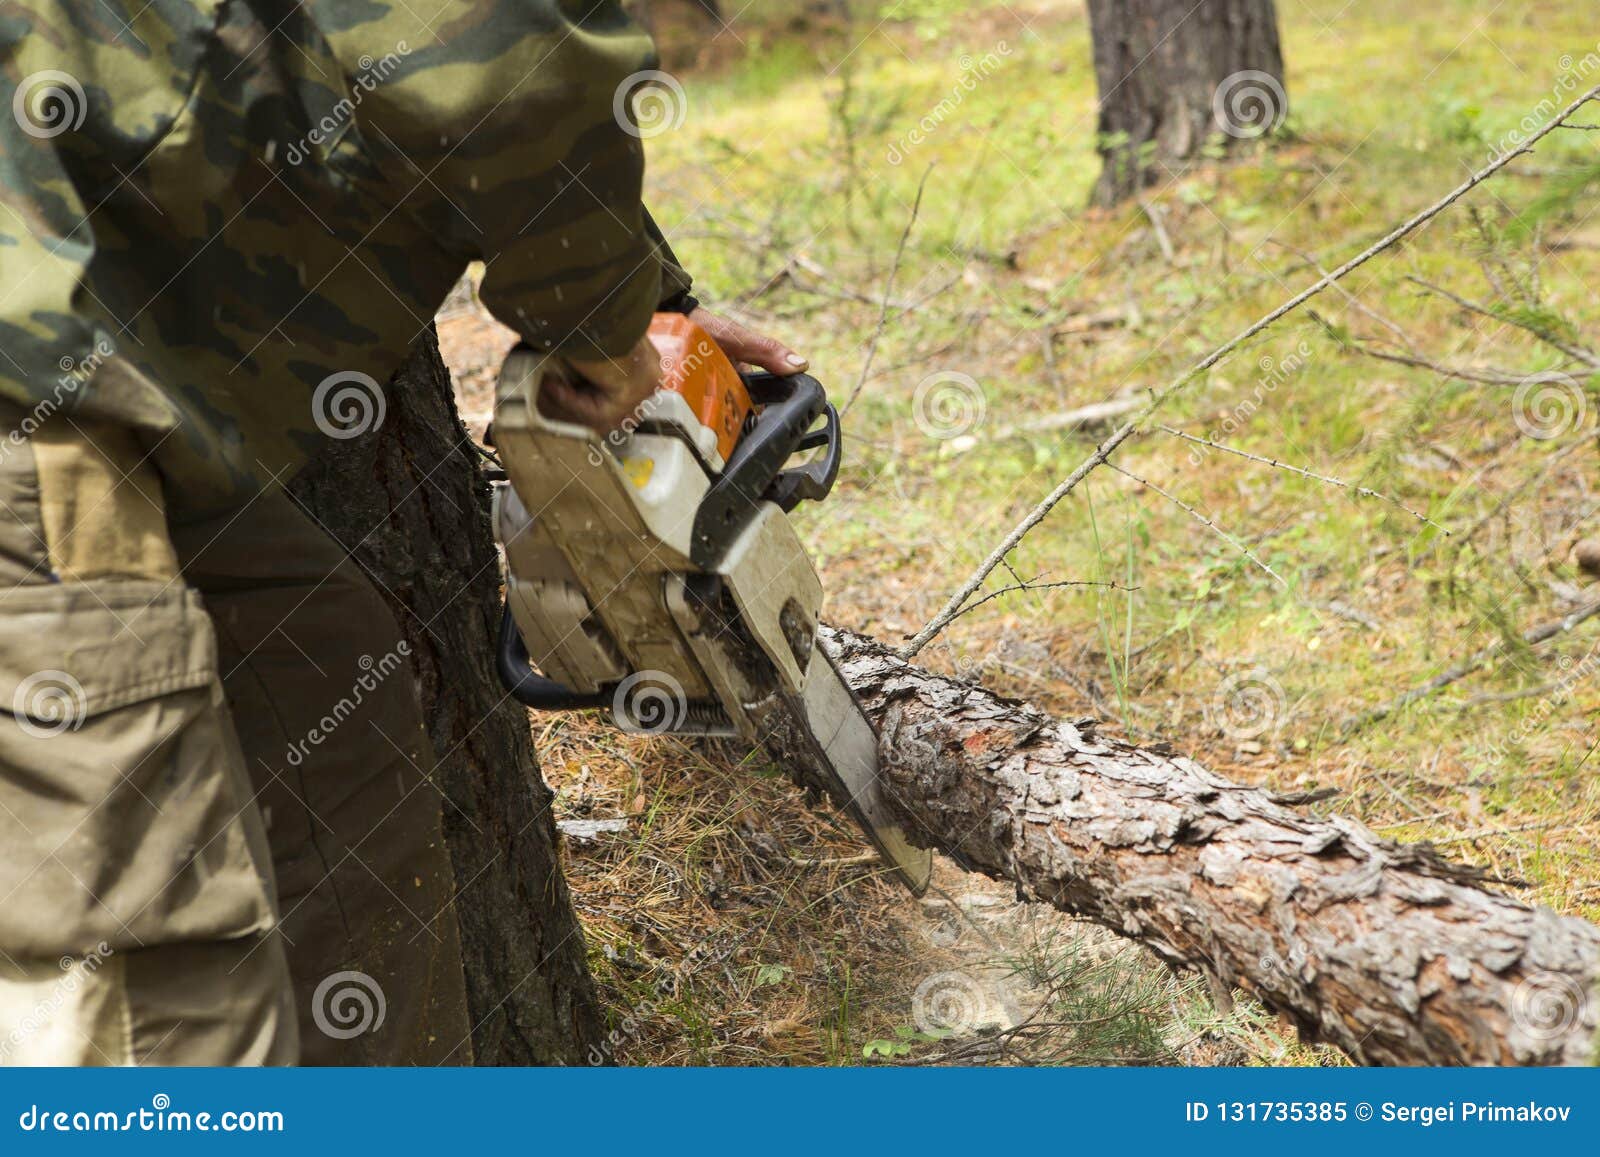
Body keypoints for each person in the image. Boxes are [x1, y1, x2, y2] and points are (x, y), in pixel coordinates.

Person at [0, 0, 800, 1065]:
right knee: (155, 978)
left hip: (113, 392)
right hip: (31, 395)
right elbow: (505, 52)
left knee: (321, 691)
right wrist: (602, 325)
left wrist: (647, 307)